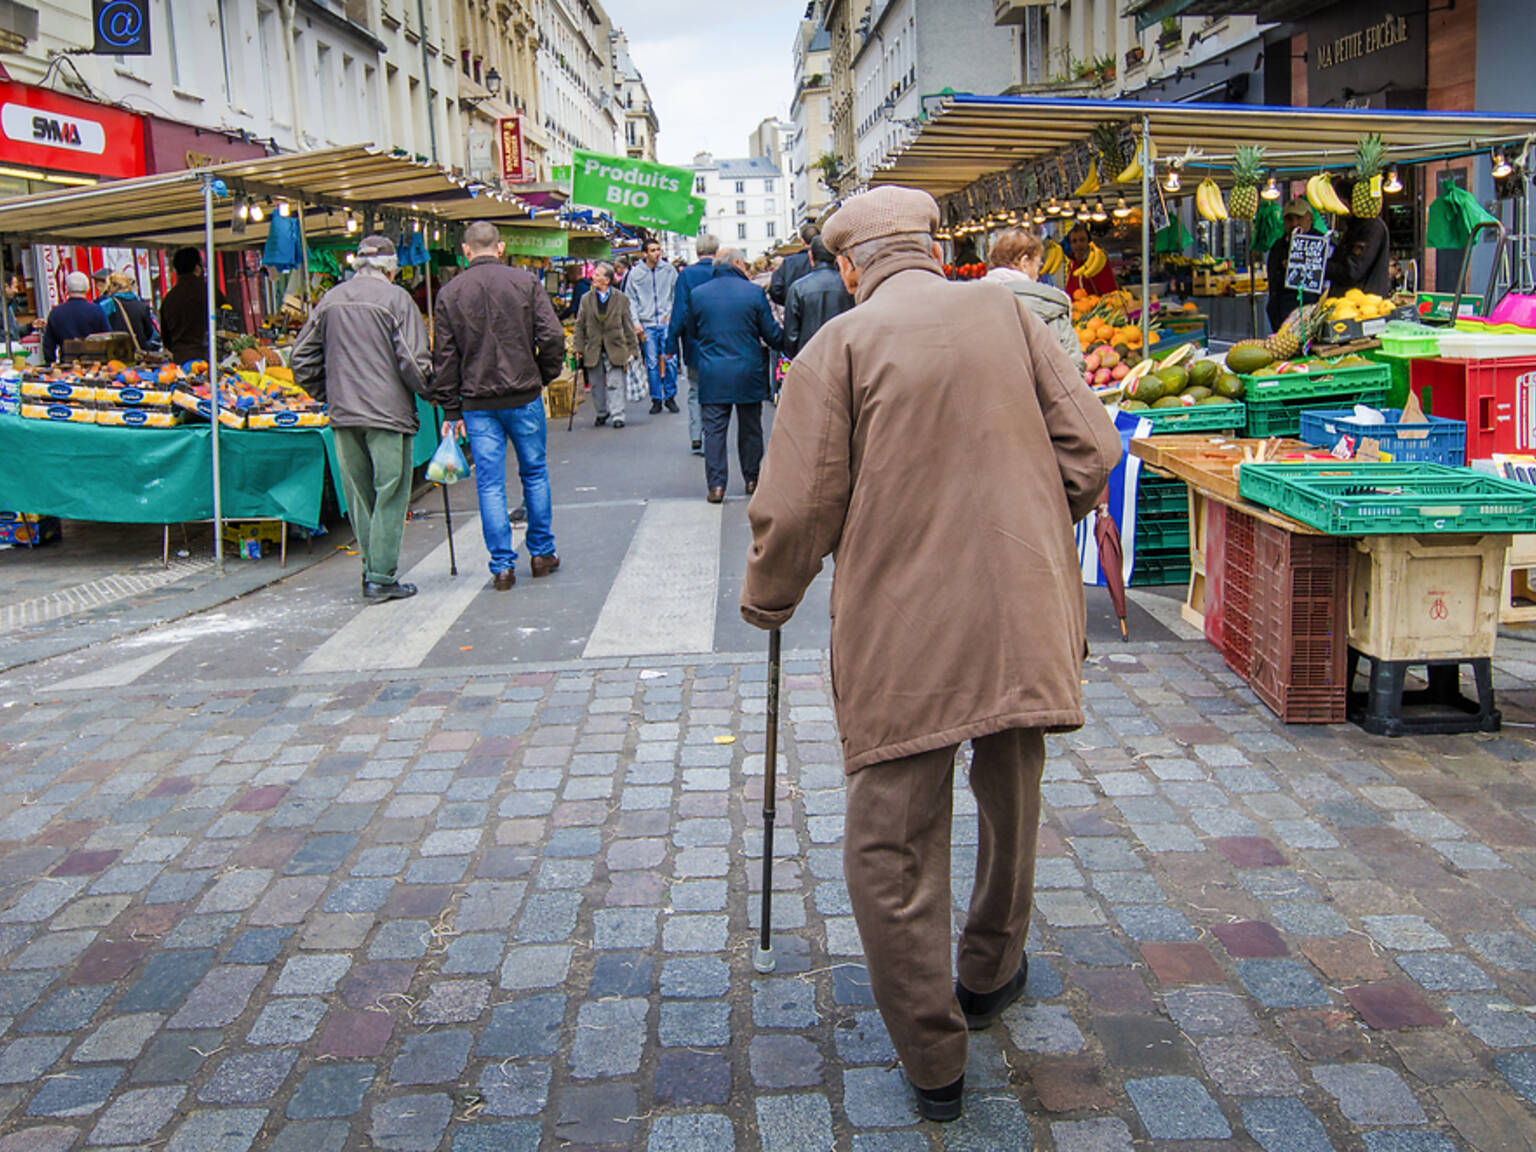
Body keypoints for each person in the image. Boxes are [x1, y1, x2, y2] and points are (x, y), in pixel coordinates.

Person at [739, 186, 1120, 1123]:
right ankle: (990, 973)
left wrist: (769, 597)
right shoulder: (1007, 313)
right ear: (931, 248)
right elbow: (1093, 448)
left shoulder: (839, 348)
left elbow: (798, 507)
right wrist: (1029, 523)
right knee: (1011, 791)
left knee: (893, 838)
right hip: (1021, 605)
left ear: (850, 267)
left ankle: (933, 1053)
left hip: (905, 625)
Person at [291, 235, 431, 603]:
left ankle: (371, 570)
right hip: (388, 413)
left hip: (344, 413)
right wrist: (434, 392)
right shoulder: (397, 299)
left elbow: (300, 359)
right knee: (390, 492)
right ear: (392, 267)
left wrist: (329, 393)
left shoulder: (331, 299)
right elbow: (414, 363)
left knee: (360, 496)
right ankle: (381, 577)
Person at [432, 220, 566, 591]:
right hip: (523, 393)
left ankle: (502, 566)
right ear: (501, 247)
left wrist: (450, 408)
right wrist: (544, 373)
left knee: (490, 484)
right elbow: (552, 334)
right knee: (534, 472)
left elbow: (445, 357)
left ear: (466, 251)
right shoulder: (524, 283)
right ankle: (541, 553)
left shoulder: (450, 292)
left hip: (477, 402)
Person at [681, 246, 783, 503]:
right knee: (750, 428)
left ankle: (716, 485)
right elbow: (770, 333)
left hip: (713, 369)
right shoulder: (754, 292)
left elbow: (692, 332)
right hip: (748, 368)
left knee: (714, 430)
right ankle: (752, 478)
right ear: (737, 263)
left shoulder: (698, 294)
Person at [985, 228, 1084, 371]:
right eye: (1037, 265)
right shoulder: (1051, 307)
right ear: (1025, 262)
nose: (1038, 274)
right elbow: (1072, 370)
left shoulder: (972, 304)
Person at [667, 234, 719, 456]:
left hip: (694, 341)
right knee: (715, 393)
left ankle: (696, 435)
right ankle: (713, 436)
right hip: (719, 341)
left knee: (695, 390)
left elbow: (679, 312)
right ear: (716, 250)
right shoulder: (720, 272)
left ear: (697, 251)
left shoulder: (686, 275)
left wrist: (670, 344)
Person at [573, 261, 640, 430]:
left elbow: (628, 325)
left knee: (615, 382)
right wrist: (578, 347)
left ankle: (618, 415)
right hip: (593, 347)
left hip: (615, 346)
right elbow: (579, 325)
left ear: (607, 280)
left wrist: (633, 349)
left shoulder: (621, 299)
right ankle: (602, 412)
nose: (592, 277)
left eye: (597, 275)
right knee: (596, 384)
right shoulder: (586, 299)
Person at [625, 238, 679, 415]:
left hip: (665, 321)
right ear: (645, 254)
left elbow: (676, 293)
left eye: (658, 250)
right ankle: (656, 398)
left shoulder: (669, 270)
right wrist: (636, 322)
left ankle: (670, 396)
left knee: (670, 360)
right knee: (652, 363)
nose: (657, 253)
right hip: (647, 323)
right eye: (653, 250)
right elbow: (630, 299)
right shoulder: (635, 274)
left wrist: (672, 314)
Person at [783, 236, 854, 358]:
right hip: (843, 354)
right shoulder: (849, 285)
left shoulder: (798, 288)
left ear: (811, 257)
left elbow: (791, 335)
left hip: (809, 357)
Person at [1267, 199, 1321, 334]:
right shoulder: (1278, 246)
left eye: (1299, 218)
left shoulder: (1321, 244)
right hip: (1281, 315)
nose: (1294, 223)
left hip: (1309, 314)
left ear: (1310, 218)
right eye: (1289, 219)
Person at [1326, 187, 1391, 297]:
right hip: (1348, 303)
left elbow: (1352, 271)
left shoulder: (1371, 228)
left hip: (1362, 305)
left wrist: (1321, 267)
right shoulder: (1353, 226)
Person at [160, 247, 220, 363]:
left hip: (181, 360)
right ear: (197, 268)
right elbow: (228, 322)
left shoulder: (169, 298)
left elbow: (166, 338)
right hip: (210, 358)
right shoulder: (210, 292)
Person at [41, 271, 109, 363]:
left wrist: (51, 364)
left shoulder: (55, 313)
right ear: (87, 288)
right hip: (93, 365)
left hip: (67, 365)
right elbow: (108, 338)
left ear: (67, 289)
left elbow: (48, 346)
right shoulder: (97, 311)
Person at [99, 271, 160, 351]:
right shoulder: (142, 305)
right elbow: (149, 333)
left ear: (113, 286)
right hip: (140, 354)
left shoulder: (108, 305)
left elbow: (101, 331)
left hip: (117, 354)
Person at [769, 222, 819, 306]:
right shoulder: (829, 259)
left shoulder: (789, 262)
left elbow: (775, 289)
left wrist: (789, 302)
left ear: (802, 241)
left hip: (796, 309)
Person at [1063, 224, 1118, 297]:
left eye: (1082, 240)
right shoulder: (1072, 265)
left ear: (1088, 242)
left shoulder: (1099, 263)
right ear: (1071, 245)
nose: (1078, 244)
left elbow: (1110, 292)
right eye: (1074, 241)